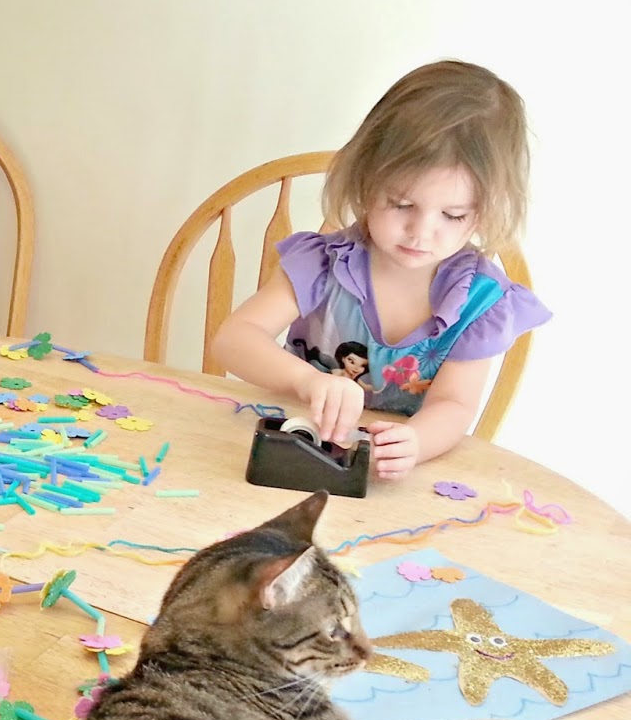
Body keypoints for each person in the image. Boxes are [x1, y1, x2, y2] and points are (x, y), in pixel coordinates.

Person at [210, 60, 549, 479]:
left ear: (485, 212)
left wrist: (416, 443)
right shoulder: (324, 264)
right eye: (402, 204)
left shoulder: (478, 303)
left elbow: (454, 405)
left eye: (454, 215)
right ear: (366, 182)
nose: (421, 232)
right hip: (285, 447)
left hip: (384, 476)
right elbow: (234, 340)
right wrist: (308, 382)